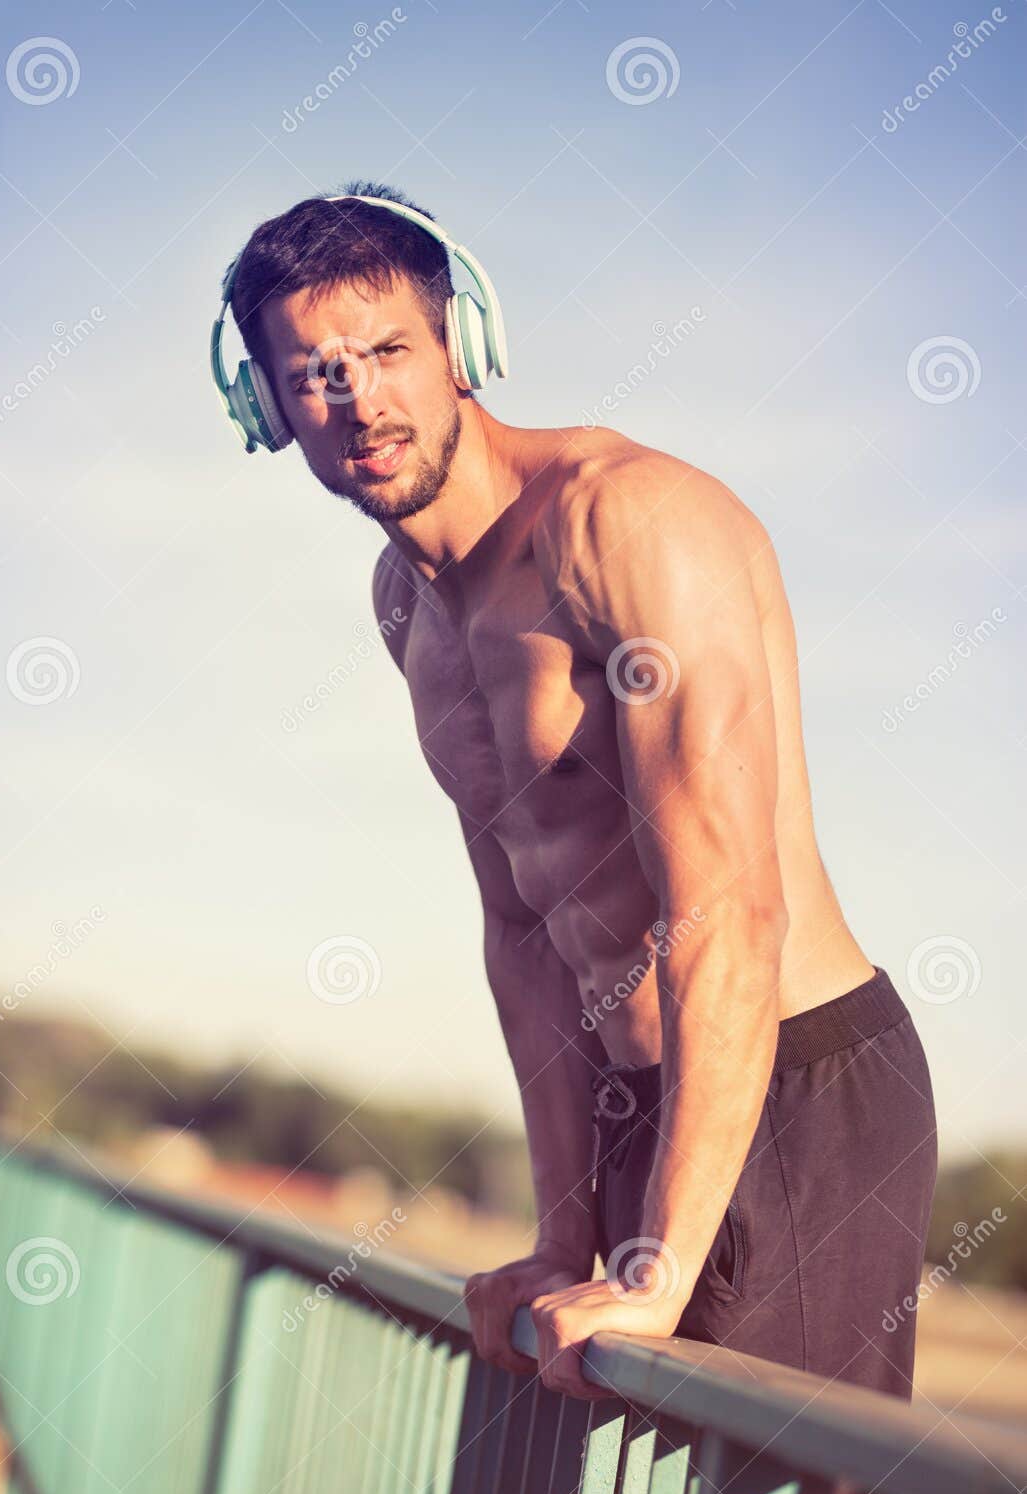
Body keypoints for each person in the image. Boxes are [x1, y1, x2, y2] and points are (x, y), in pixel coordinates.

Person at [215, 182, 938, 1402]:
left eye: (387, 349)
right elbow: (521, 927)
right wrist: (565, 1233)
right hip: (636, 1110)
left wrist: (655, 1264)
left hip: (791, 1093)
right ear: (268, 407)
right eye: (311, 372)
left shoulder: (626, 523)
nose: (360, 400)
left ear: (462, 346)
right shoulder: (410, 608)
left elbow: (728, 904)